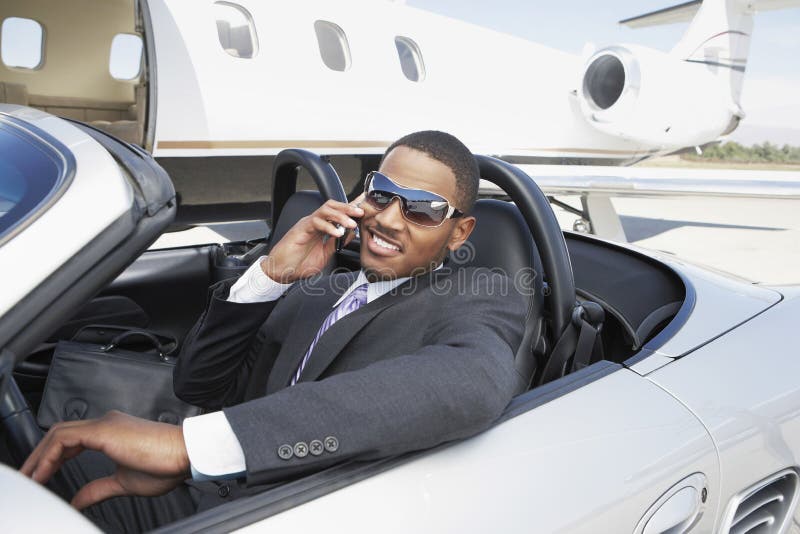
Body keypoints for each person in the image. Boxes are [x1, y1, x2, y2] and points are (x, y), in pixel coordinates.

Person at [21, 130, 528, 532]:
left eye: (421, 208)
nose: (390, 220)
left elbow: (471, 383)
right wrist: (268, 276)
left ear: (459, 231)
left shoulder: (478, 296)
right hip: (208, 490)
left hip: (288, 512)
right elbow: (198, 386)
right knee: (30, 472)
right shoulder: (318, 288)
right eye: (383, 194)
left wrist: (189, 448)